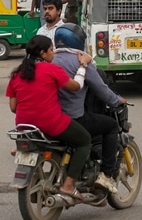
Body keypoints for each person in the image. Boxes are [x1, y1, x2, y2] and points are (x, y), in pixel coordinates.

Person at [6, 35, 95, 203]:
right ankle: (68, 185)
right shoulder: (51, 69)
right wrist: (83, 65)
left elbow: (13, 107)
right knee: (84, 140)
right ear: (43, 53)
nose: (53, 53)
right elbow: (76, 86)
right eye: (51, 50)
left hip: (24, 126)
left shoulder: (17, 74)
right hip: (50, 123)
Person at [52, 24, 124, 194]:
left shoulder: (49, 59)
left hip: (48, 118)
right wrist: (117, 100)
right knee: (111, 125)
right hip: (72, 119)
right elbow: (102, 91)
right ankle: (106, 175)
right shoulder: (81, 60)